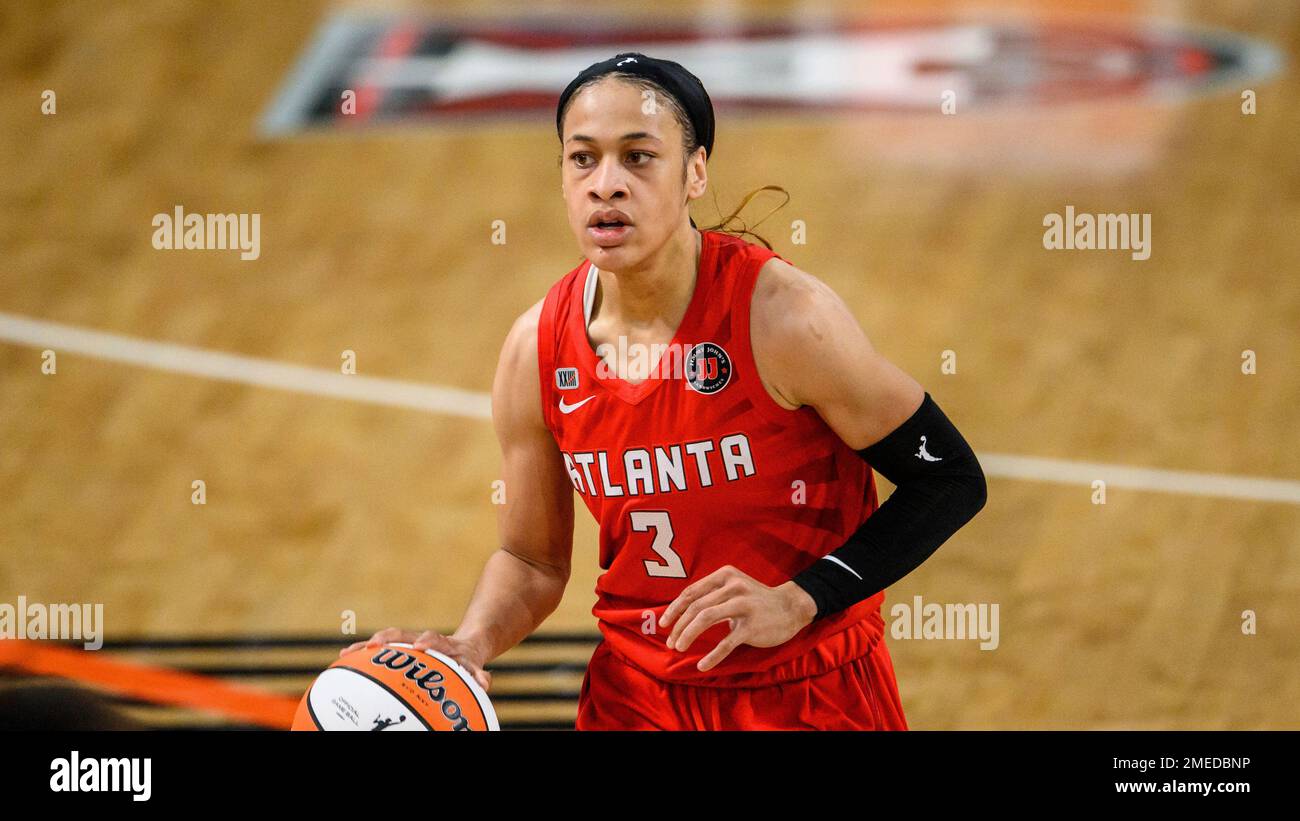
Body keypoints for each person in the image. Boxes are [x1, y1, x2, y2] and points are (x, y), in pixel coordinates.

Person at [345, 52, 987, 730]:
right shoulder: (536, 348)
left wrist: (800, 598)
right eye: (582, 159)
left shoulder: (784, 319)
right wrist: (468, 643)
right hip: (635, 698)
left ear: (695, 172)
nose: (606, 185)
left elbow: (948, 479)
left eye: (639, 157)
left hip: (806, 691)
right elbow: (532, 558)